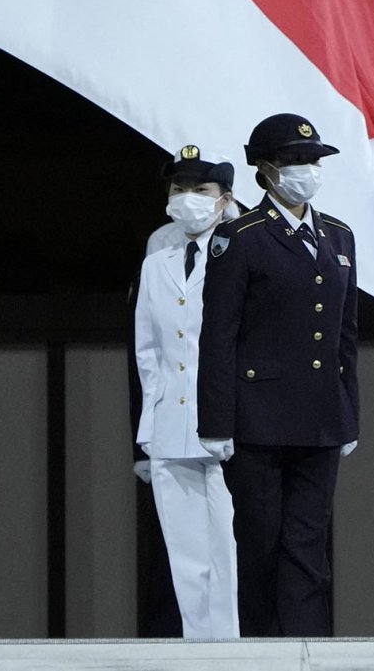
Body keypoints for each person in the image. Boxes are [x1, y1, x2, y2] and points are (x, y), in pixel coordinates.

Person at [196, 113, 359, 637]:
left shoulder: (339, 236)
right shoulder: (240, 237)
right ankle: (264, 652)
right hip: (258, 421)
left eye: (312, 160)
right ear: (265, 170)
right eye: (294, 161)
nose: (307, 170)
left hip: (319, 418)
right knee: (263, 545)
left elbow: (345, 335)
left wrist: (349, 412)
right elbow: (218, 337)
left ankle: (312, 649)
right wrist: (216, 423)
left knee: (310, 548)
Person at [133, 145, 243, 639]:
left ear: (224, 200)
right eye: (179, 190)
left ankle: (238, 650)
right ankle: (201, 651)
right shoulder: (159, 261)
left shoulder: (246, 248)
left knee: (230, 551)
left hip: (227, 426)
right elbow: (148, 352)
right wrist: (147, 430)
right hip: (171, 427)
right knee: (185, 556)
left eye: (200, 191)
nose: (187, 199)